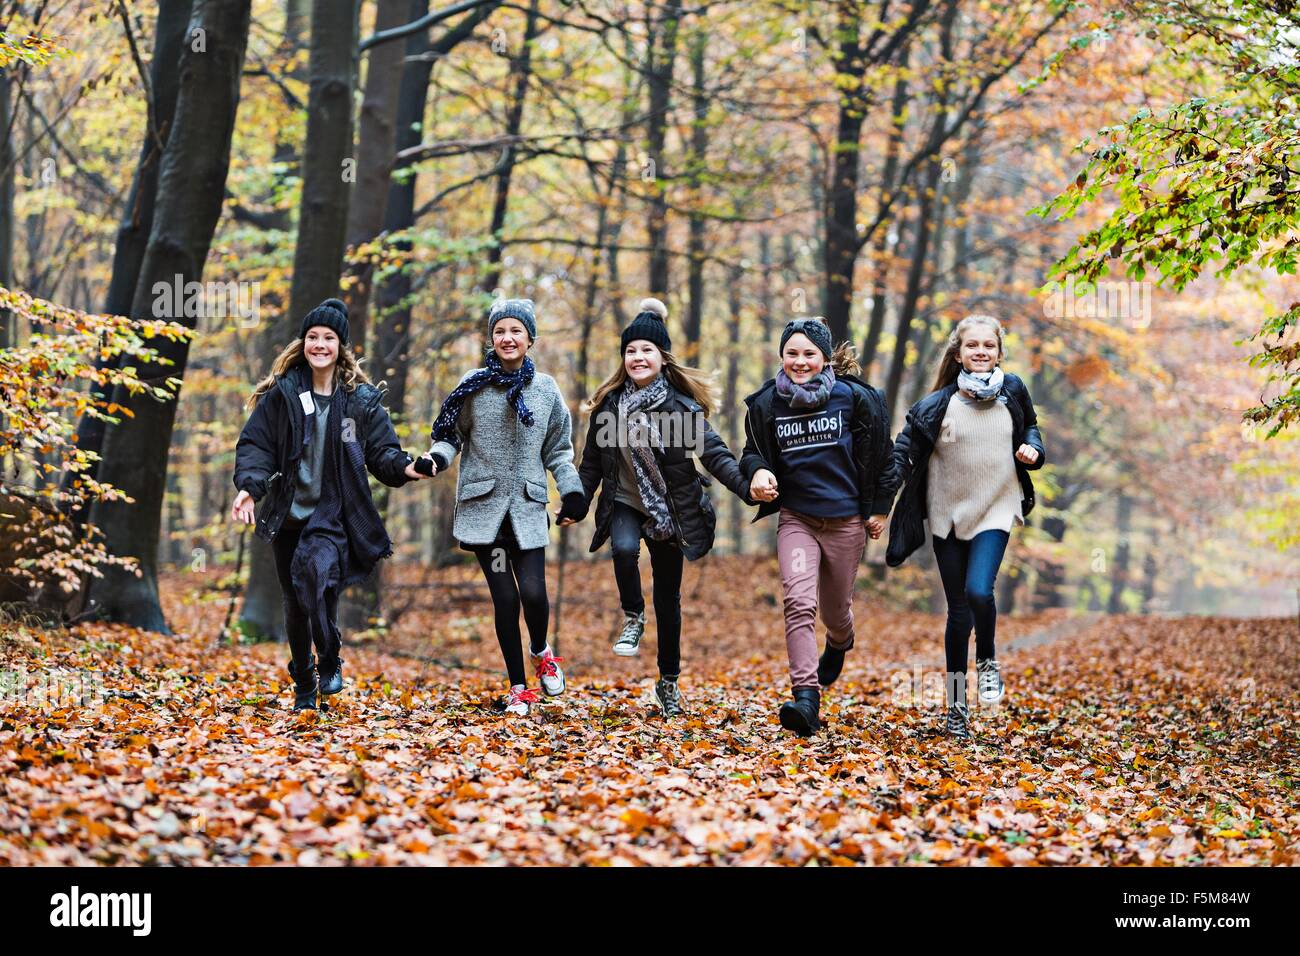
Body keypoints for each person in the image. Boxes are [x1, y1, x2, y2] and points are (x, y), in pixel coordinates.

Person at [231, 298, 428, 711]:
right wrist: (250, 488)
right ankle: (304, 678)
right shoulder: (284, 394)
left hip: (332, 513)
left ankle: (330, 659)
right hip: (289, 513)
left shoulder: (359, 401)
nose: (319, 345)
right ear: (303, 343)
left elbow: (382, 453)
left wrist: (408, 468)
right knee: (295, 600)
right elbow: (256, 445)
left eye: (329, 338)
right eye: (313, 337)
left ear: (341, 346)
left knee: (318, 585)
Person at [568, 298, 752, 717]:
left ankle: (668, 682)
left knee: (669, 600)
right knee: (624, 549)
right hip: (625, 502)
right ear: (623, 359)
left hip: (671, 512)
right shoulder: (609, 409)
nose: (638, 356)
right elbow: (591, 466)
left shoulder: (680, 409)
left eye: (646, 350)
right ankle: (632, 616)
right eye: (631, 350)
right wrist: (576, 504)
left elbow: (716, 454)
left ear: (662, 358)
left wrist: (746, 488)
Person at [419, 298, 586, 717]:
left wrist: (573, 491)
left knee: (533, 592)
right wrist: (435, 459)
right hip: (486, 516)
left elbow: (559, 450)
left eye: (516, 331)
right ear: (490, 339)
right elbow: (449, 436)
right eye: (499, 332)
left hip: (527, 510)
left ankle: (540, 649)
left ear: (530, 338)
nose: (507, 338)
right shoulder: (473, 386)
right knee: (506, 599)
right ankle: (518, 688)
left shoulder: (546, 389)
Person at [885, 314, 1046, 739]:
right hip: (947, 514)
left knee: (979, 591)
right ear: (958, 354)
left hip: (997, 505)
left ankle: (988, 660)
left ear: (998, 352)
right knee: (958, 614)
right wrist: (880, 506)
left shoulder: (1013, 391)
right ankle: (957, 710)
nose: (980, 352)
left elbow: (1031, 426)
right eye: (972, 345)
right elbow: (904, 455)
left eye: (988, 346)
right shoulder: (936, 406)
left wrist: (1033, 447)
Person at [740, 317, 898, 736]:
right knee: (798, 602)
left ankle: (839, 642)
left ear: (825, 358)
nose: (800, 361)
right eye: (792, 353)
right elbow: (752, 453)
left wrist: (879, 508)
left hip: (846, 520)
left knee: (835, 611)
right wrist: (756, 472)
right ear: (781, 356)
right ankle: (806, 698)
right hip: (799, 519)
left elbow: (884, 457)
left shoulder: (854, 399)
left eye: (809, 353)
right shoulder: (767, 403)